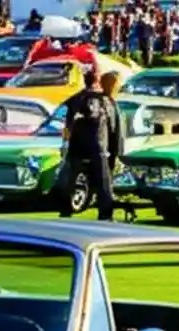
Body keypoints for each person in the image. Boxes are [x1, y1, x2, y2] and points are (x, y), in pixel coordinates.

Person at [56, 70, 123, 220]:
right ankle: (105, 213)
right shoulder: (106, 101)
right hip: (98, 146)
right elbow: (114, 128)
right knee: (103, 182)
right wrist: (115, 150)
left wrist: (66, 143)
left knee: (70, 178)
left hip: (77, 146)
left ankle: (65, 208)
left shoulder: (75, 99)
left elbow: (67, 124)